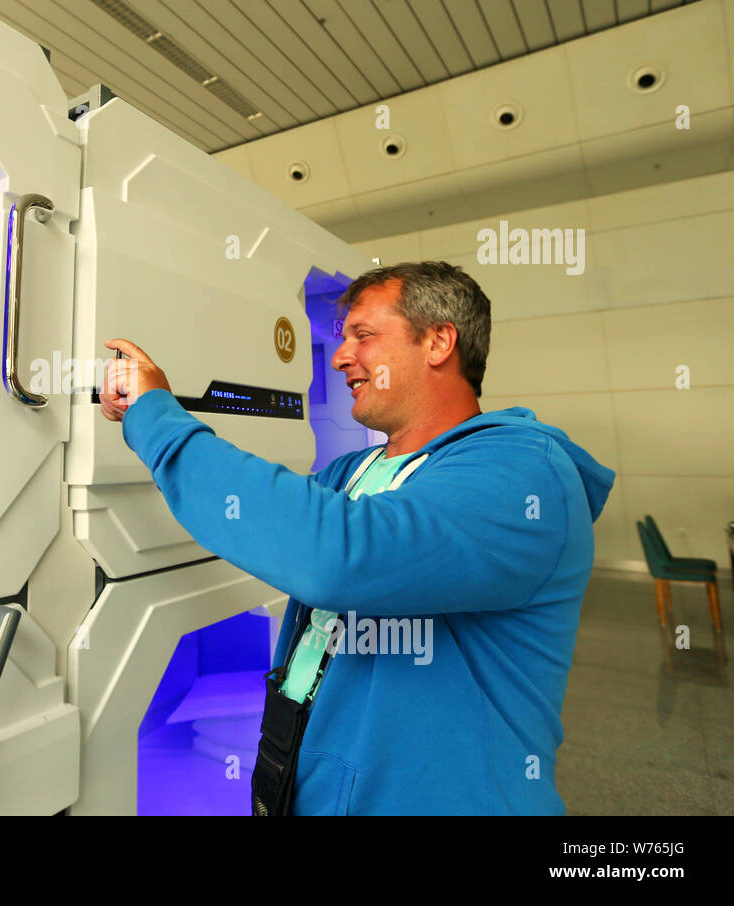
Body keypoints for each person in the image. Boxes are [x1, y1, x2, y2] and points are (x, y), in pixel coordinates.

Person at [99, 260, 615, 815]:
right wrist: (150, 414)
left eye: (363, 336)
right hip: (304, 777)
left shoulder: (521, 471)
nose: (341, 356)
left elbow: (335, 556)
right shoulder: (356, 470)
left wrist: (159, 420)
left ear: (439, 341)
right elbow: (264, 521)